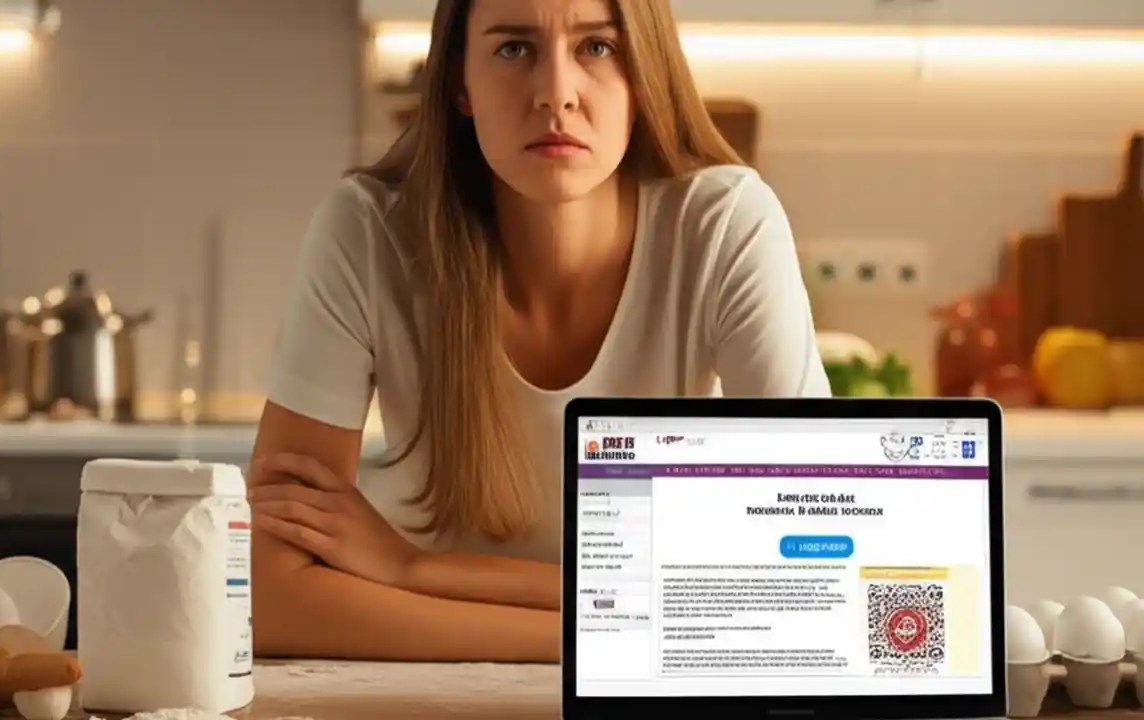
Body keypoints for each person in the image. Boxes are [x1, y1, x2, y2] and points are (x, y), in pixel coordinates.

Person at [248, 0, 830, 663]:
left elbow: (809, 583)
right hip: (427, 689)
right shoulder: (367, 232)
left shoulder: (725, 223)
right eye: (513, 49)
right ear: (459, 83)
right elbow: (268, 596)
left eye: (597, 48)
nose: (556, 95)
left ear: (646, 77)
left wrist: (418, 570)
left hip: (419, 630)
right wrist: (615, 643)